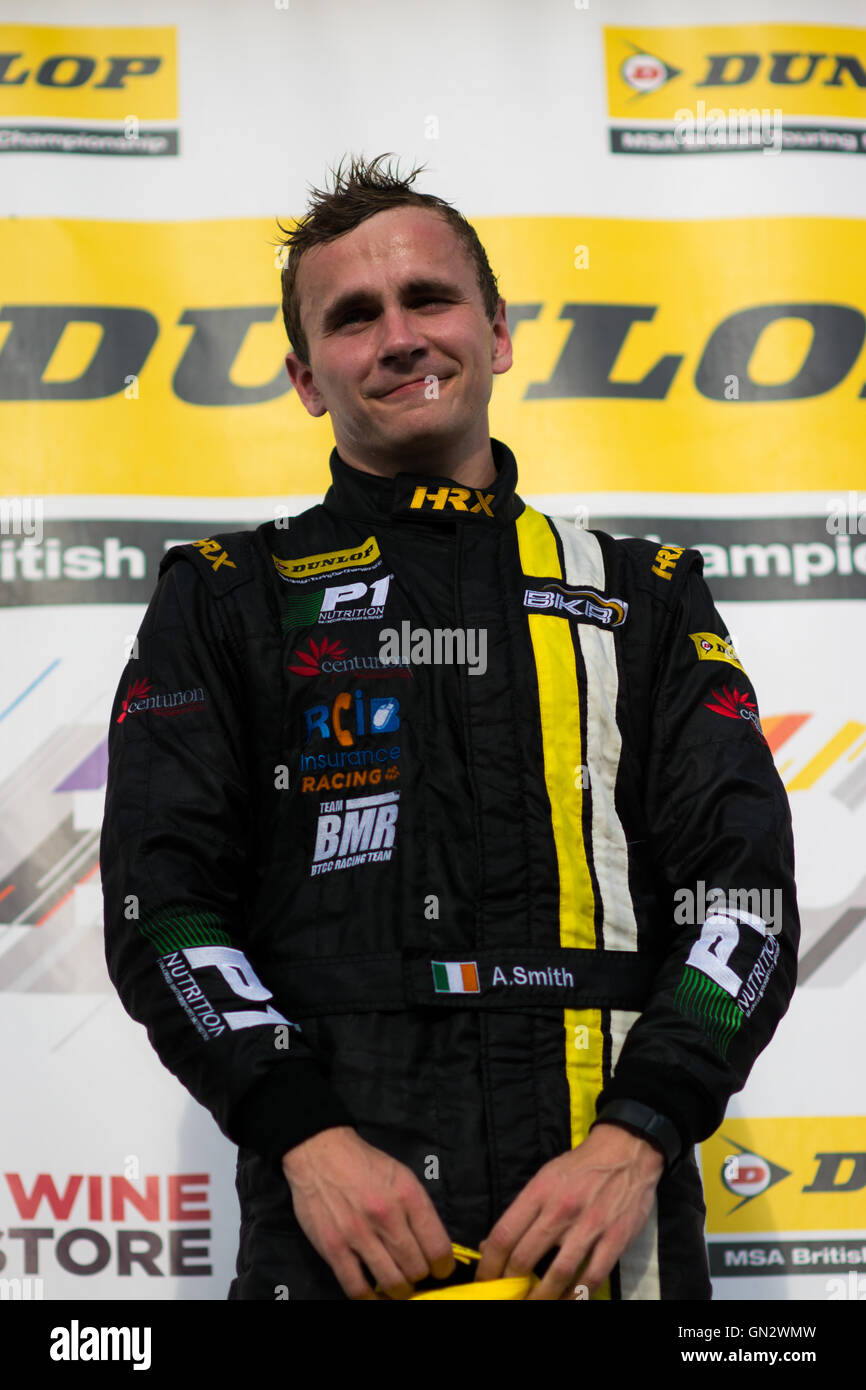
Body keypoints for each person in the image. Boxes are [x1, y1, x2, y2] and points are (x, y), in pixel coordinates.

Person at [101, 152, 799, 1301]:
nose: (399, 336)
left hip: (608, 1231)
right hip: (336, 1235)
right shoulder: (226, 595)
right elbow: (161, 913)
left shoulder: (648, 593)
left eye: (428, 298)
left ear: (499, 331)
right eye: (353, 316)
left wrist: (636, 1136)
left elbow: (743, 902)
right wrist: (307, 1139)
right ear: (306, 377)